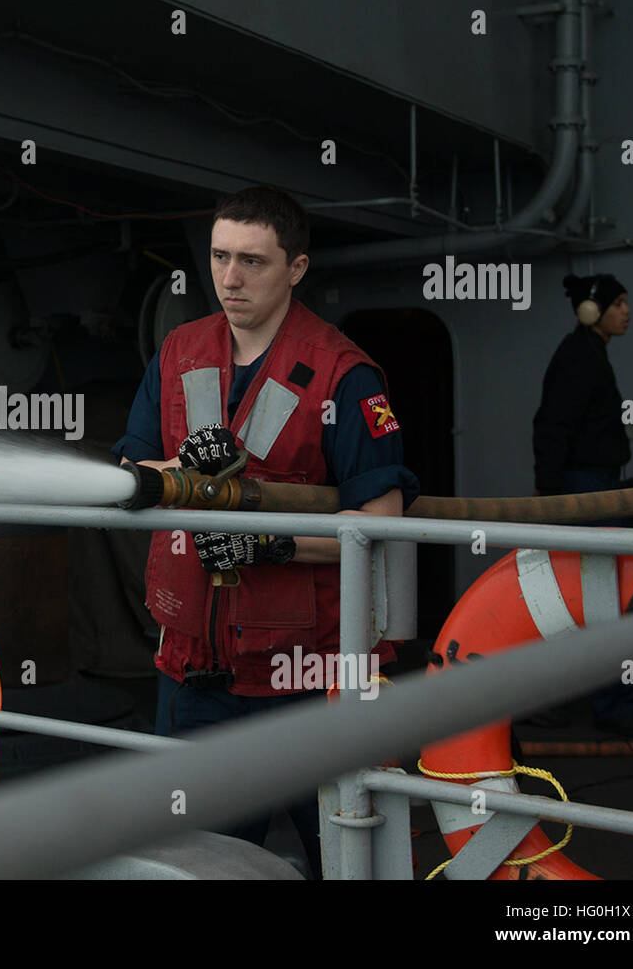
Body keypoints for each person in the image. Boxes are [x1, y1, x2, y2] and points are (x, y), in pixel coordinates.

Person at [112, 186, 419, 876]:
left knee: (352, 860)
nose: (229, 277)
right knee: (197, 866)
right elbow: (135, 470)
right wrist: (183, 469)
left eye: (252, 260)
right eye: (220, 256)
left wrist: (263, 543)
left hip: (312, 682)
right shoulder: (177, 352)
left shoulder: (348, 377)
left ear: (297, 268)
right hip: (196, 678)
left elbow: (379, 526)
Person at [531, 273, 633, 738]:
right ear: (593, 309)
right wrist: (551, 499)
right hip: (585, 489)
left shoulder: (590, 354)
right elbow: (551, 427)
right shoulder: (577, 359)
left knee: (590, 599)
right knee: (603, 601)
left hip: (597, 485)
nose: (627, 311)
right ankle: (613, 707)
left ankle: (564, 698)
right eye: (619, 303)